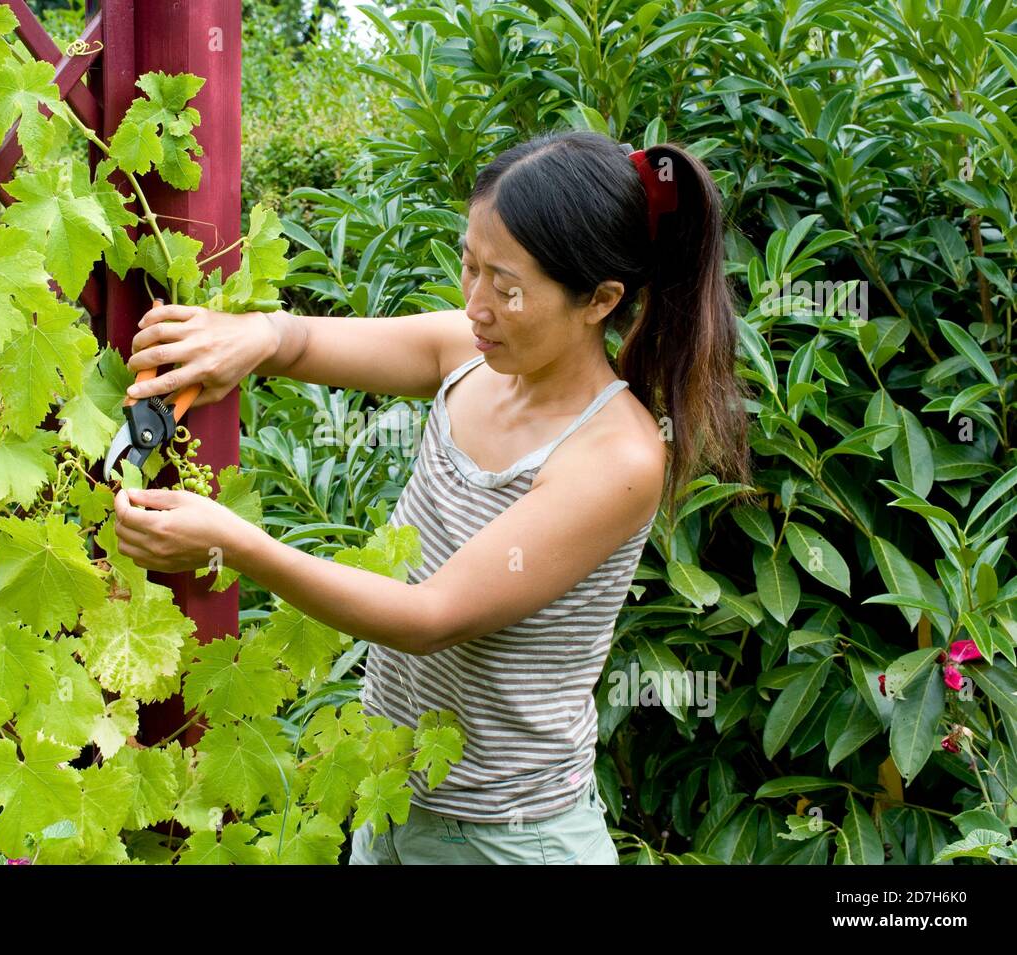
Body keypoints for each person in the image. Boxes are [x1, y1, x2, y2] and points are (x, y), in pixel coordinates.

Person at [111, 129, 753, 864]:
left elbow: (431, 617)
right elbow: (301, 344)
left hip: (506, 839)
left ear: (599, 300)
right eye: (469, 264)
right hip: (394, 802)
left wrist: (236, 545)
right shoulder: (467, 356)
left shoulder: (617, 456)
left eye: (505, 285)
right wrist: (250, 335)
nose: (474, 303)